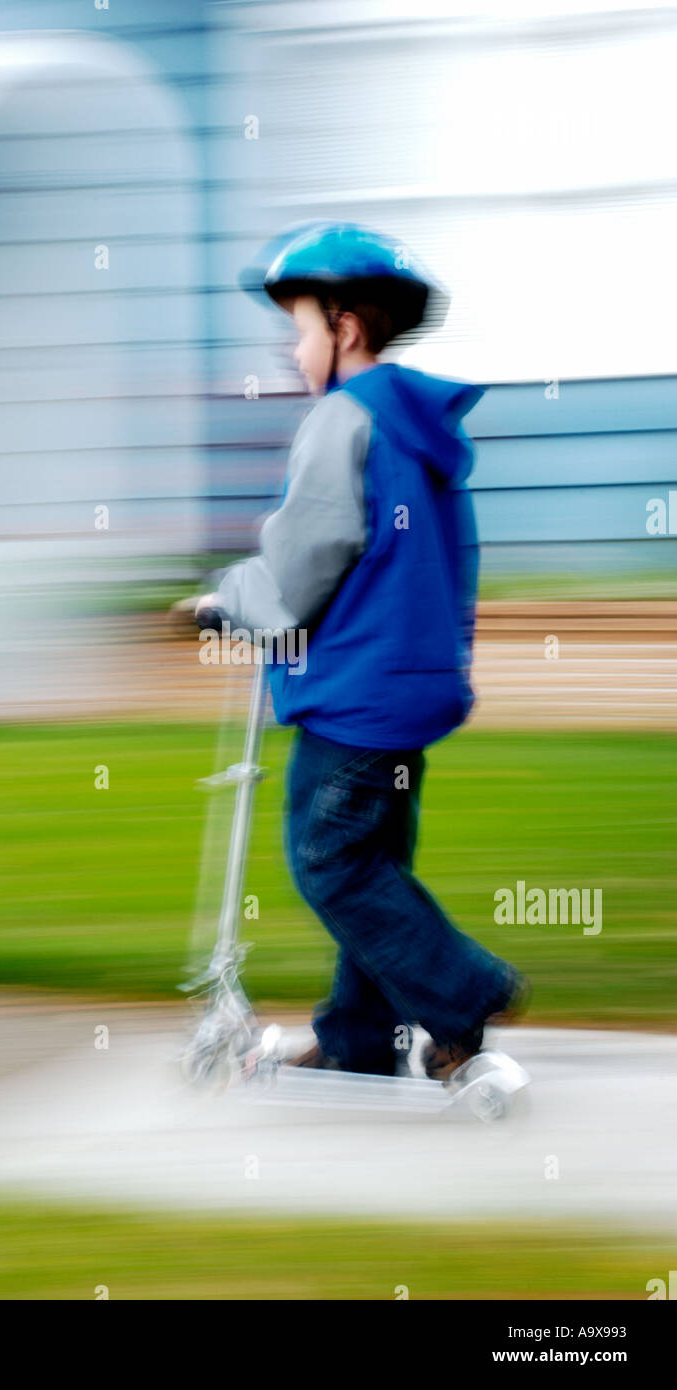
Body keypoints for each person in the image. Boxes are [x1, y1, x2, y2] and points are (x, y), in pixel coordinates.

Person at [195, 221, 528, 1081]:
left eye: (298, 328)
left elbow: (303, 559)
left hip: (352, 697)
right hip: (409, 690)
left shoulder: (341, 419)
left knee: (332, 865)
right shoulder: (418, 428)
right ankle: (358, 1040)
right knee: (372, 868)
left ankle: (463, 991)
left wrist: (224, 600)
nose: (289, 349)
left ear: (345, 327)